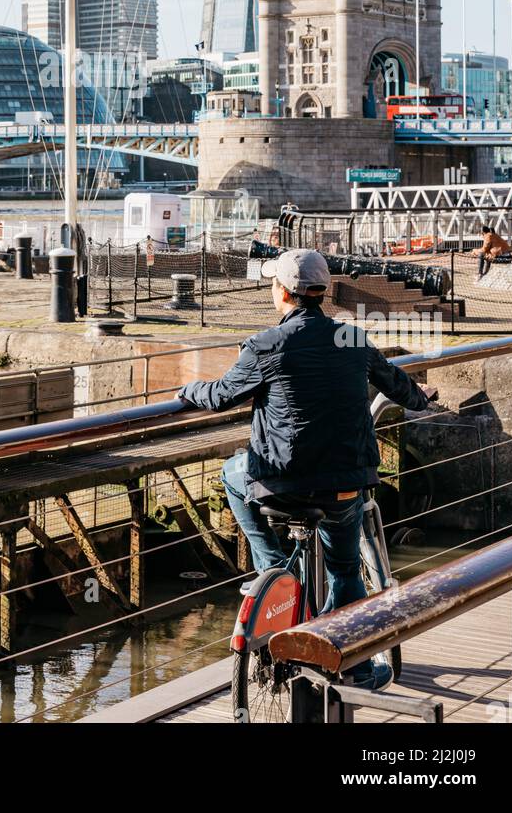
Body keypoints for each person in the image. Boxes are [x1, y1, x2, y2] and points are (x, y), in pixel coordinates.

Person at [176, 247, 435, 691]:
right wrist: (421, 396)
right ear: (323, 291)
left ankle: (274, 570)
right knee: (346, 571)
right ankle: (352, 664)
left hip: (282, 483)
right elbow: (398, 386)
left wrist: (188, 387)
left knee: (231, 475)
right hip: (346, 482)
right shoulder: (351, 338)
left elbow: (220, 395)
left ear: (282, 292)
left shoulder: (265, 345)